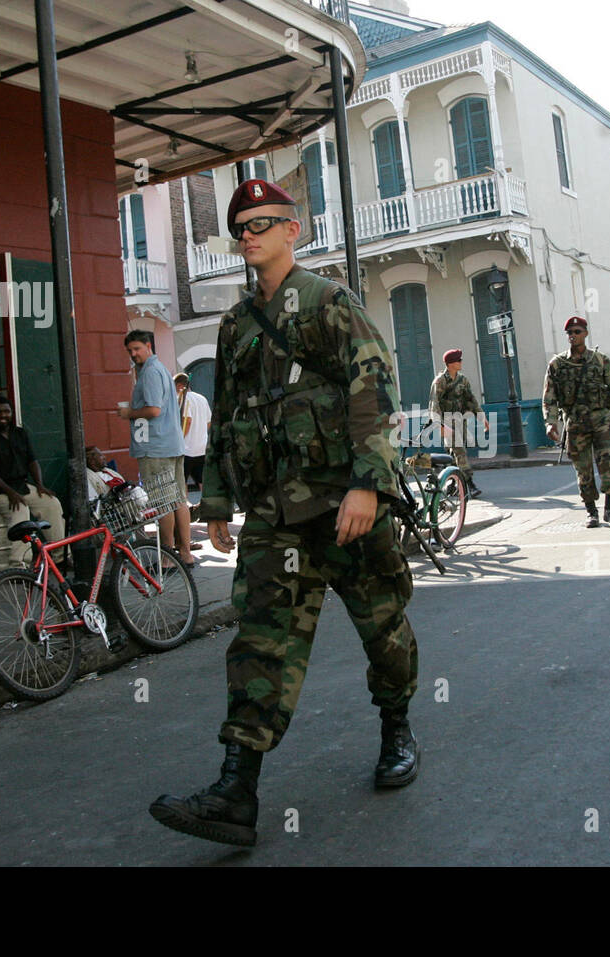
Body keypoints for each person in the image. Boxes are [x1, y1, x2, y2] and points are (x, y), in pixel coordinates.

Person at [149, 179, 419, 847]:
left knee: (383, 628)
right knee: (261, 643)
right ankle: (235, 790)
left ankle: (396, 726)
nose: (250, 233)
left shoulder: (330, 304)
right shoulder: (237, 324)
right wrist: (214, 500)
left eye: (264, 222)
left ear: (293, 230)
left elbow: (374, 391)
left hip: (344, 505)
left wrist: (368, 485)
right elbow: (232, 418)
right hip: (275, 516)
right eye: (242, 225)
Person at [543, 316, 610, 528]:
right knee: (583, 469)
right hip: (575, 422)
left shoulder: (600, 360)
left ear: (585, 334)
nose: (573, 336)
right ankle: (591, 511)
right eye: (569, 333)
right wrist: (550, 423)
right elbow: (549, 397)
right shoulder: (557, 364)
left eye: (577, 332)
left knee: (608, 464)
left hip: (601, 420)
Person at [117, 329, 195, 566]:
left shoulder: (150, 372)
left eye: (137, 349)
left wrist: (128, 413)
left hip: (156, 446)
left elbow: (153, 410)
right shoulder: (158, 369)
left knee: (164, 503)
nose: (133, 354)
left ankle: (167, 556)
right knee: (179, 500)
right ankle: (185, 553)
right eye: (130, 351)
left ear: (148, 346)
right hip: (171, 444)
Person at [0, 395, 66, 567]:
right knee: (20, 509)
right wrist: (10, 493)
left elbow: (32, 461)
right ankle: (20, 564)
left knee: (51, 503)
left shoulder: (19, 433)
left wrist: (40, 485)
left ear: (12, 413)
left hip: (20, 487)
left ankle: (60, 557)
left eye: (6, 411)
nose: (3, 415)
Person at [427, 348, 484, 498]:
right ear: (451, 364)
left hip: (459, 420)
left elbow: (471, 400)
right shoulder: (440, 381)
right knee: (460, 451)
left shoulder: (463, 380)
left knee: (454, 453)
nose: (461, 362)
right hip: (446, 422)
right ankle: (470, 484)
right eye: (459, 360)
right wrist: (439, 425)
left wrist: (481, 417)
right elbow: (434, 405)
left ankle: (453, 483)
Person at [175, 372, 212, 493]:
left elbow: (187, 420)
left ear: (180, 386)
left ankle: (185, 506)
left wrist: (180, 438)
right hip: (201, 447)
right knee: (202, 480)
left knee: (182, 481)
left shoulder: (183, 399)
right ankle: (206, 504)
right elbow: (208, 422)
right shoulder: (202, 398)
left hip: (186, 448)